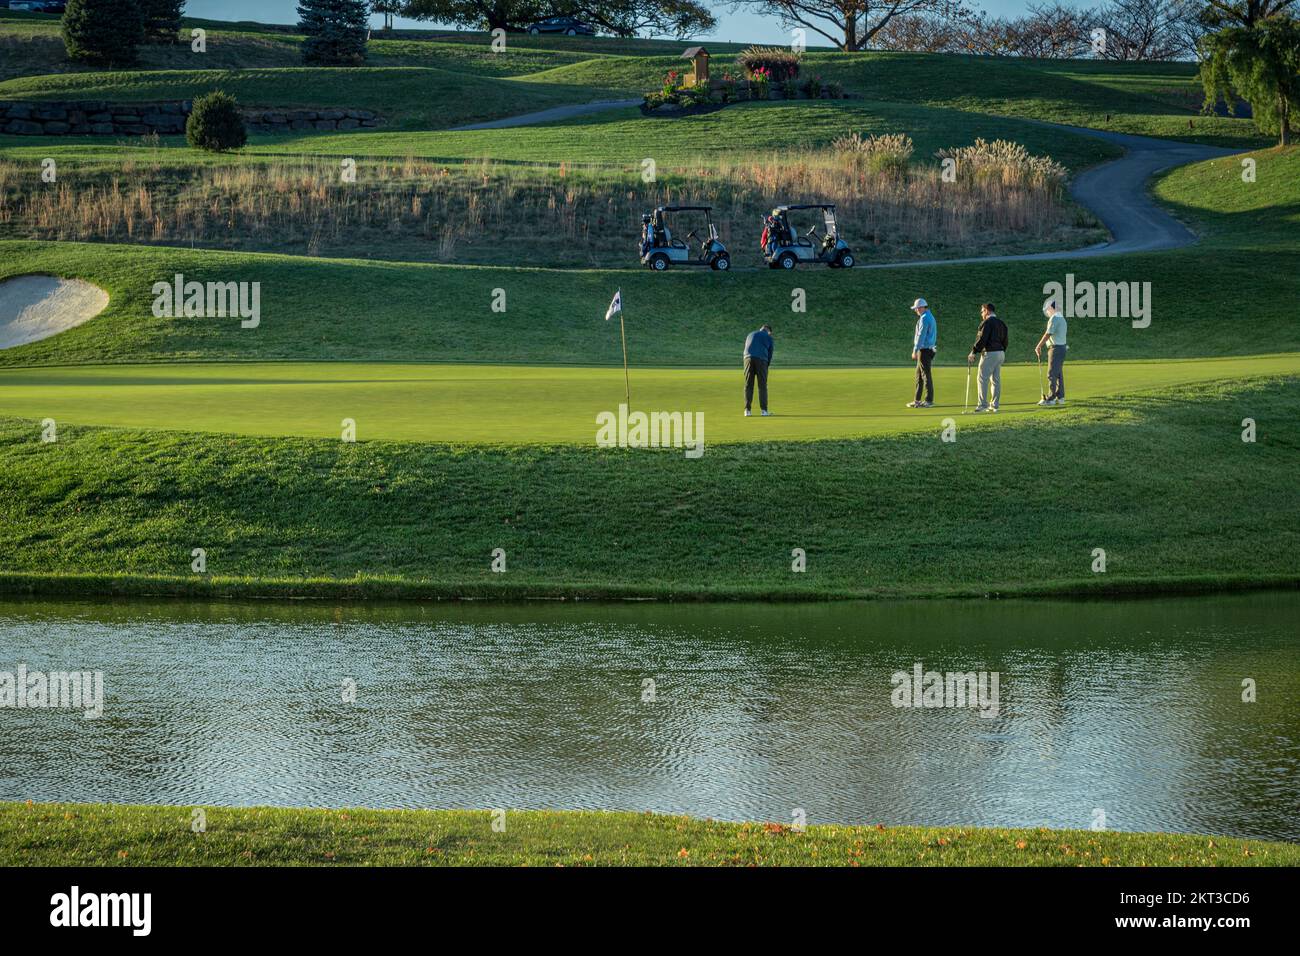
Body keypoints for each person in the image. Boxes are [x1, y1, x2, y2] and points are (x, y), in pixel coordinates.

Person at [968, 302, 1008, 413]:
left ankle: (982, 405)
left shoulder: (987, 322)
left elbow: (982, 339)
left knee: (982, 378)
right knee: (995, 380)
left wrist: (974, 352)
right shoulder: (1001, 323)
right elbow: (1005, 340)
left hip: (990, 353)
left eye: (982, 311)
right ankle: (994, 405)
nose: (981, 314)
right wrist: (1001, 350)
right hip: (1000, 353)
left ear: (987, 310)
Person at [1035, 299, 1067, 406]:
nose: (1047, 312)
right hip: (1061, 347)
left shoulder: (1054, 318)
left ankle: (1051, 398)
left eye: (1048, 309)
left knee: (1052, 373)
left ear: (1052, 308)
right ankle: (1060, 397)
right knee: (1058, 373)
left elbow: (1048, 334)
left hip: (1056, 348)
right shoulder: (1061, 318)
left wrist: (1039, 346)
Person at [907, 297, 937, 408]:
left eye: (916, 308)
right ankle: (917, 400)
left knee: (925, 375)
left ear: (921, 307)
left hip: (924, 350)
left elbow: (921, 336)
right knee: (919, 375)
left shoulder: (924, 318)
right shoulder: (929, 316)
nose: (915, 310)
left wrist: (915, 350)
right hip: (928, 349)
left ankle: (929, 400)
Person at [743, 324, 774, 417]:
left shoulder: (750, 334)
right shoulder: (768, 337)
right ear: (769, 331)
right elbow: (770, 353)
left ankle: (747, 411)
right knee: (762, 386)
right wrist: (766, 365)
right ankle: (764, 411)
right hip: (761, 360)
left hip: (747, 359)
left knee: (748, 385)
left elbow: (746, 348)